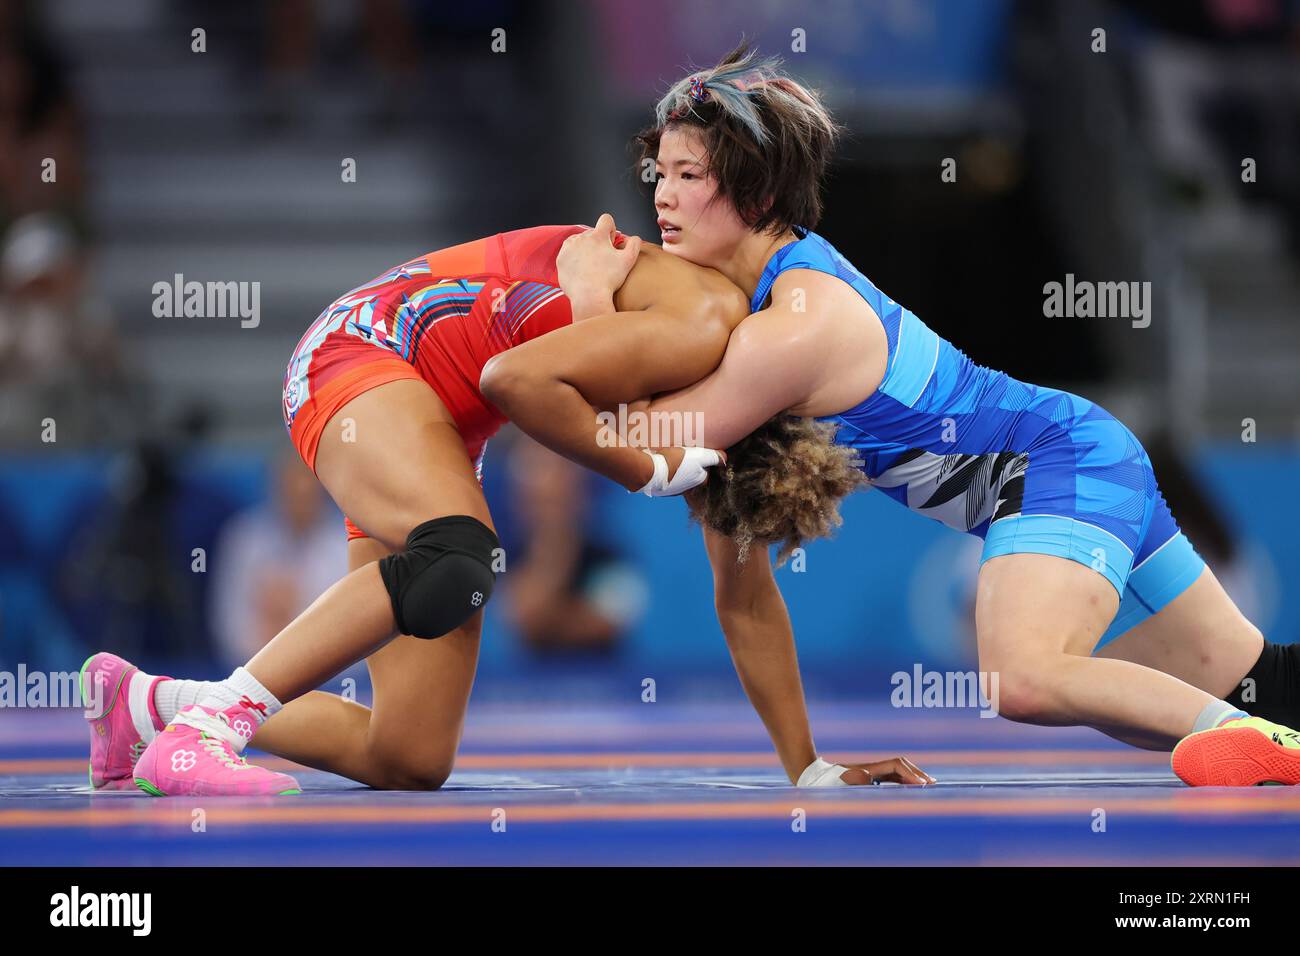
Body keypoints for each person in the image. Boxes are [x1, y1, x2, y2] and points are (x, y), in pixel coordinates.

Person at [498, 46, 1300, 787]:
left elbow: (650, 448)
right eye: (658, 172)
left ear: (760, 191)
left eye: (688, 175)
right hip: (1080, 448)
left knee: (1022, 679)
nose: (661, 197)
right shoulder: (770, 296)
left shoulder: (796, 326)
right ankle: (1262, 723)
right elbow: (719, 546)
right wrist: (808, 766)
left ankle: (1256, 740)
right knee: (1242, 673)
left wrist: (590, 300)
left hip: (1056, 460)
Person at [83, 219, 927, 795]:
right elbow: (515, 380)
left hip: (427, 416)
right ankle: (210, 732)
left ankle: (148, 706)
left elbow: (745, 601)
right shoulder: (706, 326)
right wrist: (643, 466)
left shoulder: (709, 421)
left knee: (408, 755)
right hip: (367, 349)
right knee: (460, 556)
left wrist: (810, 768)